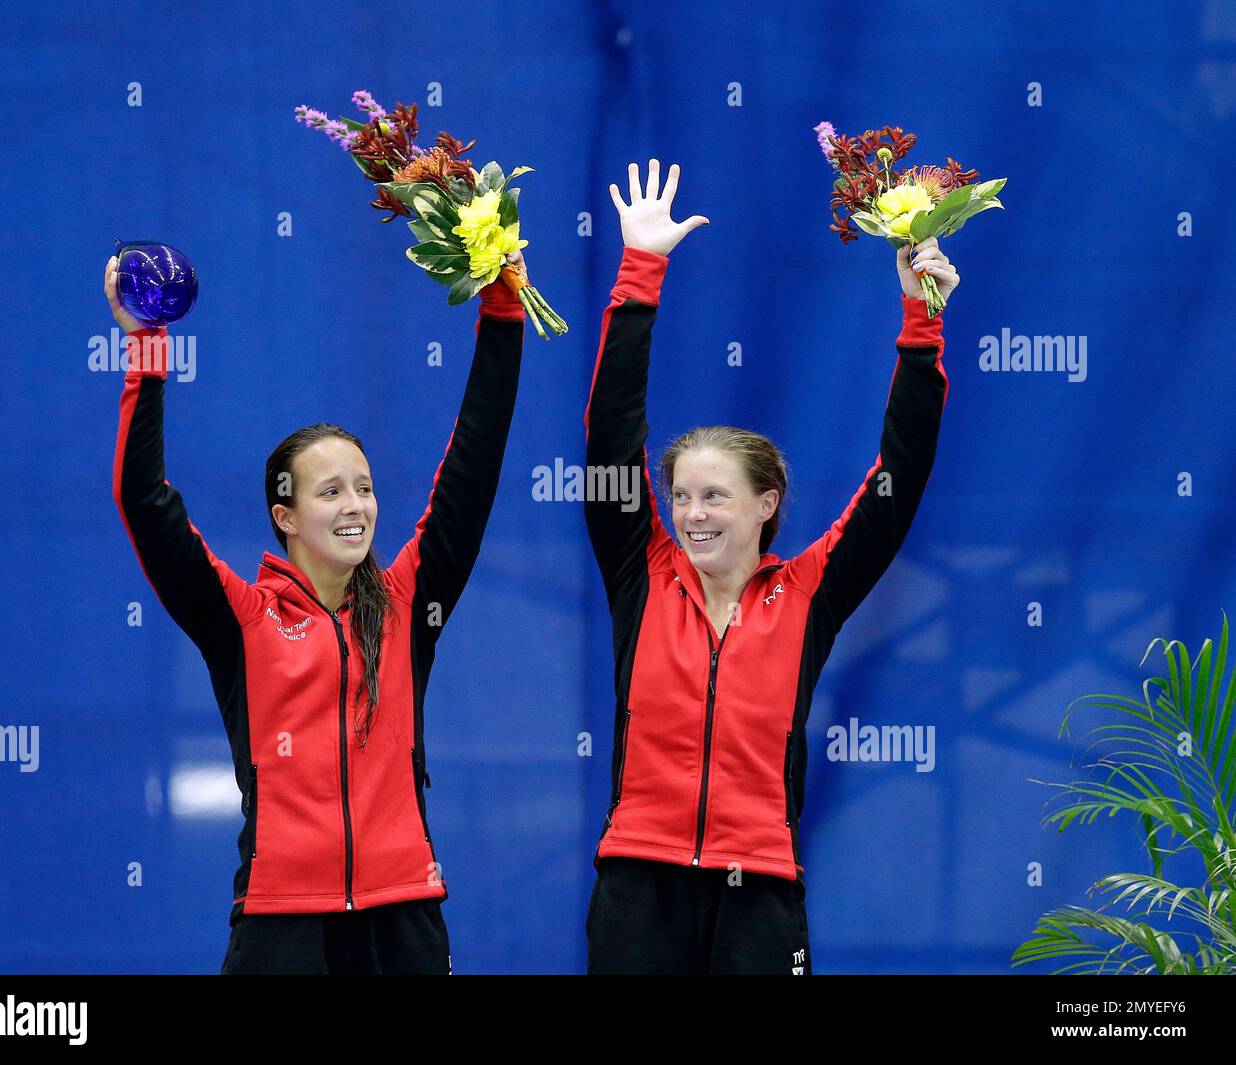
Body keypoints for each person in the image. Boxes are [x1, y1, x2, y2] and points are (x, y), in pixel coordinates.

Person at [105, 249, 526, 974]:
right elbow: (143, 501)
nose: (356, 505)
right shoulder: (241, 617)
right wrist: (146, 347)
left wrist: (501, 306)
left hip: (402, 918)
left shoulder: (404, 602)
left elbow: (474, 464)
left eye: (363, 487)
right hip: (282, 923)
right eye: (329, 491)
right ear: (286, 516)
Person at [582, 158, 956, 974]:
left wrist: (921, 320)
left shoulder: (809, 590)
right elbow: (611, 439)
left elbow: (899, 476)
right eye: (680, 497)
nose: (693, 514)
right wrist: (640, 271)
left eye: (715, 496)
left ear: (766, 504)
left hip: (761, 890)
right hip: (637, 885)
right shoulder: (639, 574)